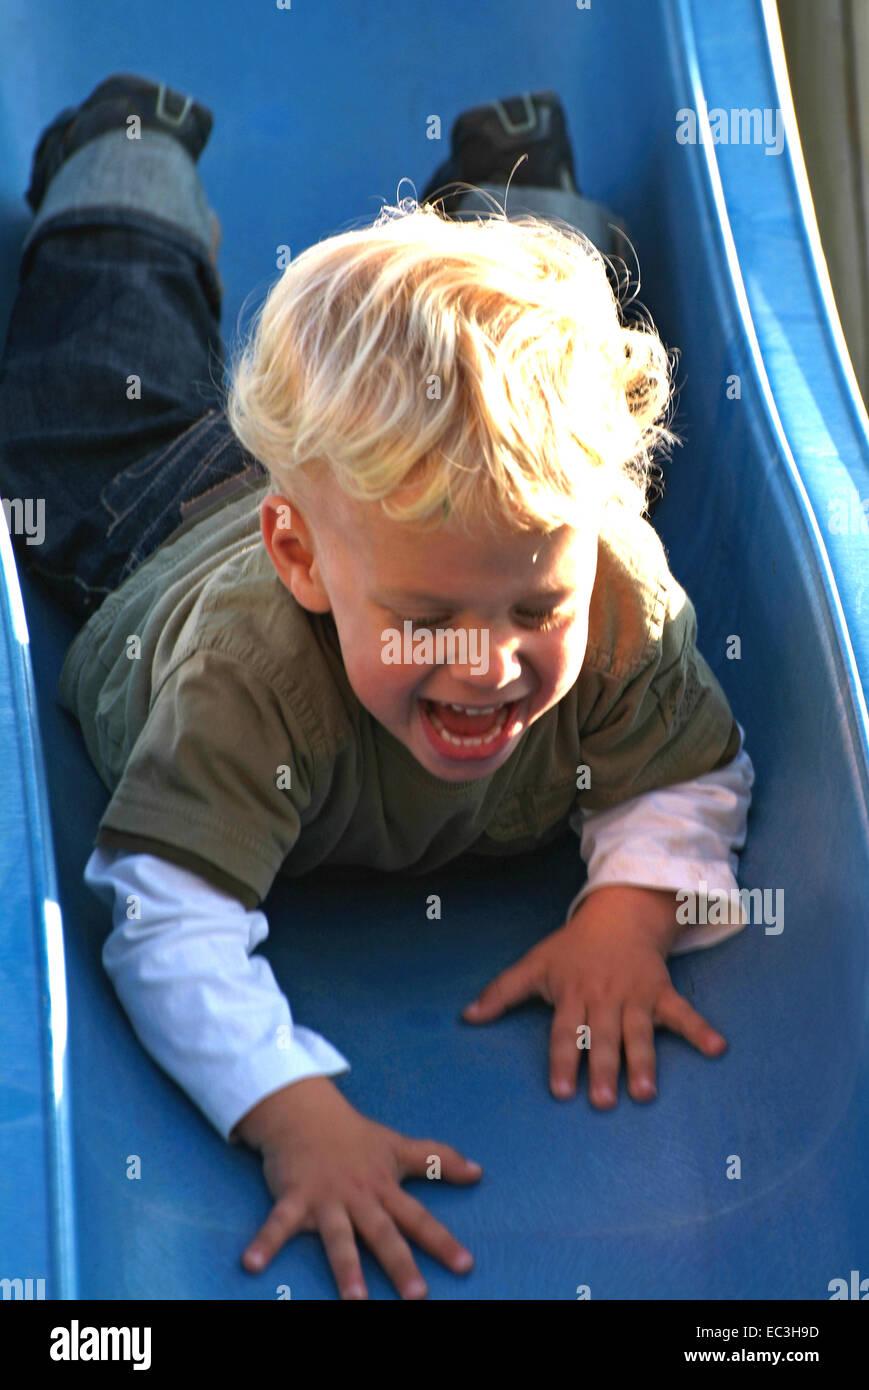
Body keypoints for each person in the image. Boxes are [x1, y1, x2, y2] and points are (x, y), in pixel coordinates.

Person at [0, 80, 755, 1300]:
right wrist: (291, 1109)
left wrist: (628, 911)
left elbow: (684, 768)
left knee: (552, 412)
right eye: (425, 624)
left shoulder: (602, 579)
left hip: (423, 506)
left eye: (532, 609)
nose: (488, 664)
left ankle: (515, 189)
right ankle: (126, 159)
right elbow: (163, 911)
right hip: (172, 514)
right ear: (300, 556)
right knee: (83, 405)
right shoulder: (248, 673)